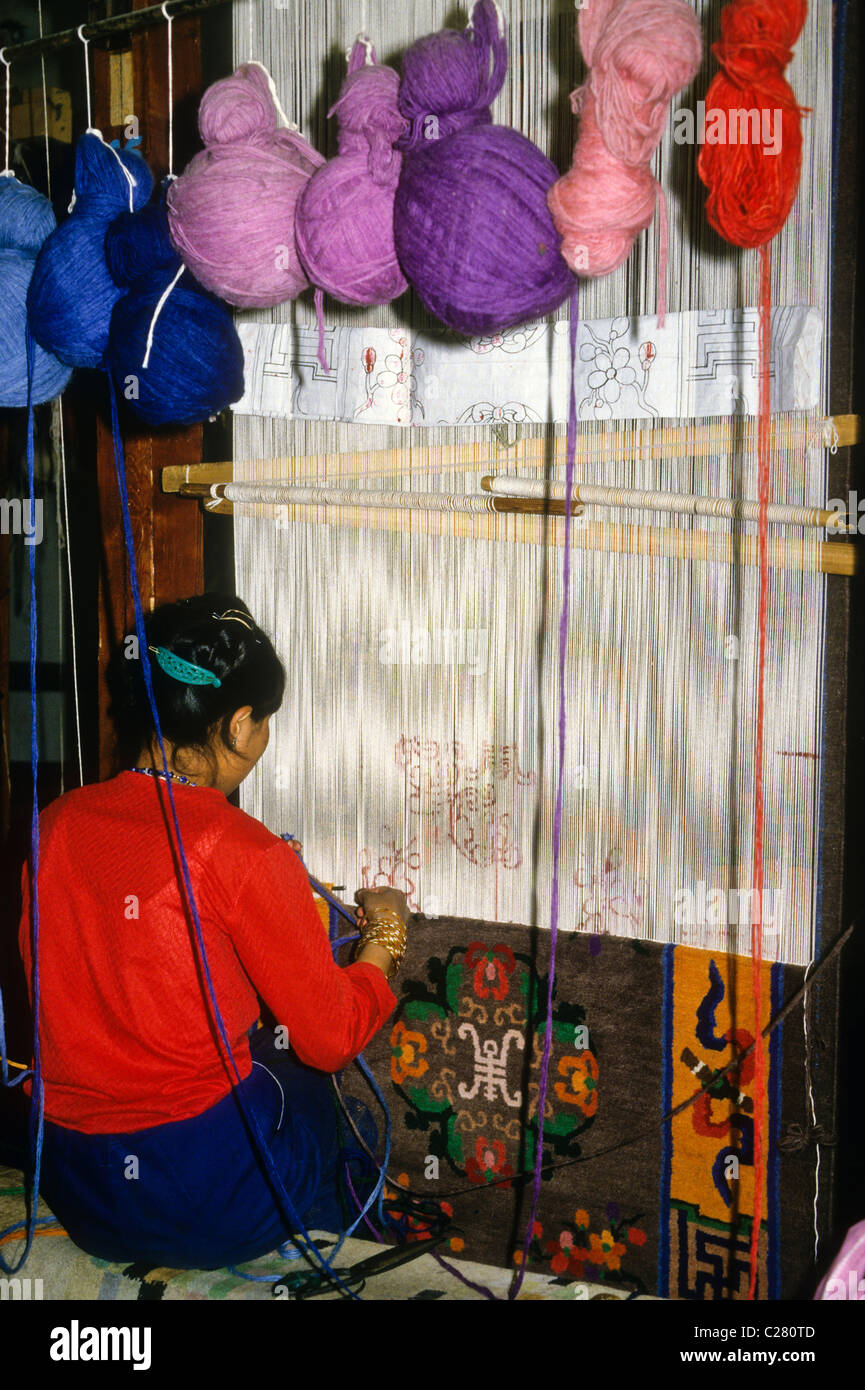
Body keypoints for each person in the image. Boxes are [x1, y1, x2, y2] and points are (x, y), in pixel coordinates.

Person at [17, 593, 409, 1270]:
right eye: (263, 723)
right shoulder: (241, 849)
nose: (261, 740)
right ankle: (345, 1259)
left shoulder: (54, 826)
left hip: (82, 1189)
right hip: (205, 1202)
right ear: (235, 726)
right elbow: (331, 1038)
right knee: (312, 1087)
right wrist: (384, 940)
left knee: (256, 1053)